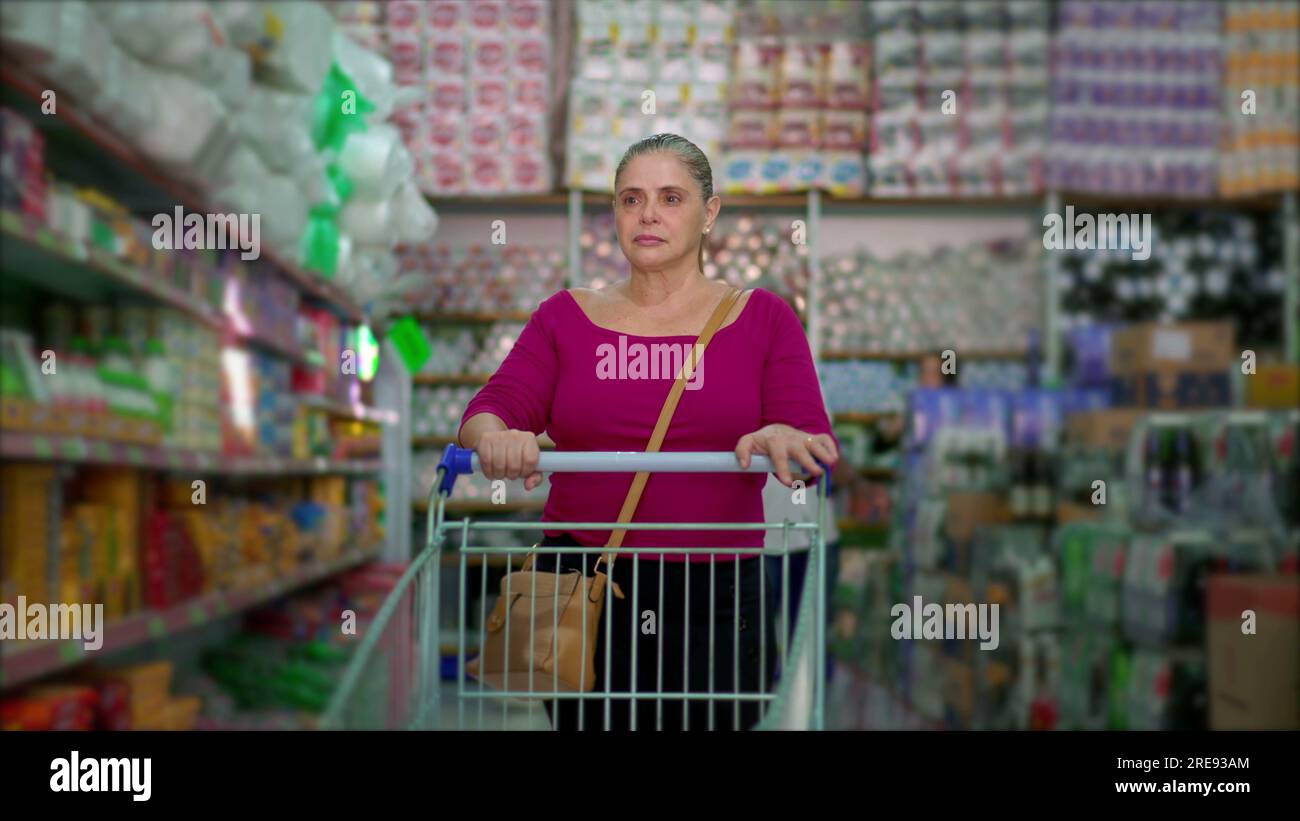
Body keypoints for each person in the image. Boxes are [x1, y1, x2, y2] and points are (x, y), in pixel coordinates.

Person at [456, 133, 838, 731]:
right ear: (614, 213)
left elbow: (809, 432)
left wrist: (783, 439)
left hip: (713, 592)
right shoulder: (566, 317)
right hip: (583, 587)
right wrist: (496, 437)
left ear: (709, 213)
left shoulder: (764, 318)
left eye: (671, 198)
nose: (649, 215)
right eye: (631, 199)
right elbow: (491, 408)